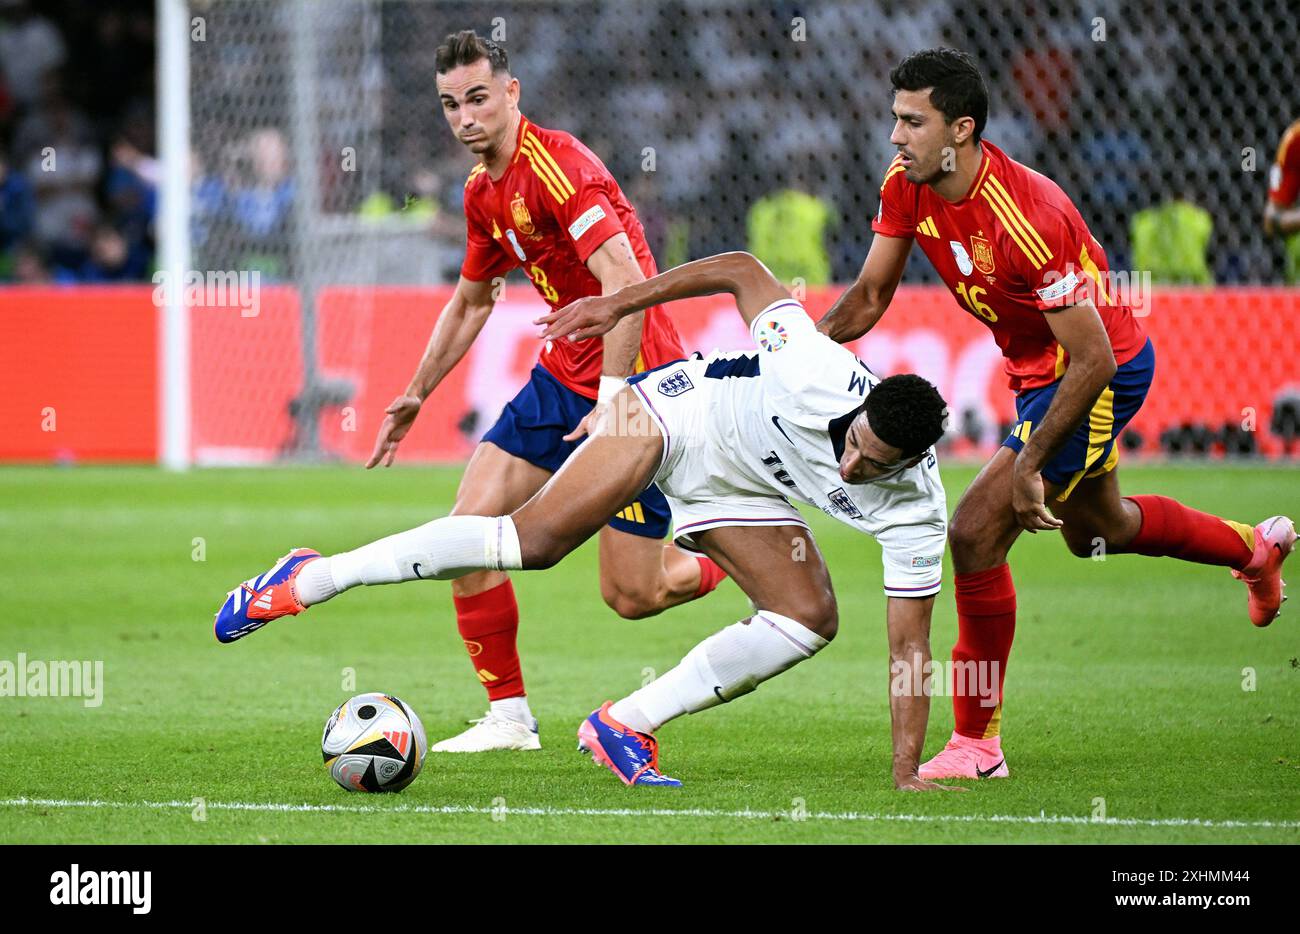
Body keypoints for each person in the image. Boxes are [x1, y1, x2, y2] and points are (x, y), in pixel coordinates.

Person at [213, 251, 955, 790]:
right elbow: (741, 268)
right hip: (671, 406)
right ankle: (308, 578)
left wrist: (905, 772)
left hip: (746, 484)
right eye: (855, 444)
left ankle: (624, 723)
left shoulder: (918, 511)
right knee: (529, 545)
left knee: (808, 617)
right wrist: (620, 306)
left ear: (915, 462)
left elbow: (909, 645)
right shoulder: (813, 371)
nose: (855, 468)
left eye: (876, 466)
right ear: (857, 411)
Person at [217, 31, 728, 756]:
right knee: (468, 530)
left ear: (512, 92)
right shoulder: (482, 191)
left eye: (479, 98)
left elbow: (626, 286)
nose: (465, 117)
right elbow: (472, 300)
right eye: (451, 104)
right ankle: (510, 718)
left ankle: (727, 556)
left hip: (638, 385)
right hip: (562, 378)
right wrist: (416, 393)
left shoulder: (560, 169)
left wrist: (615, 395)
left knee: (634, 597)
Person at [818, 48, 1295, 780]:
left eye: (912, 122)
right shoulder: (906, 184)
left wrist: (1029, 463)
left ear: (962, 129)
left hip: (1095, 371)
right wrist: (799, 358)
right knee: (1101, 530)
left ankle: (978, 745)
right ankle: (1252, 549)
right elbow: (872, 296)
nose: (894, 136)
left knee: (974, 534)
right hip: (1036, 371)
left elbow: (1095, 356)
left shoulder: (1030, 216)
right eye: (895, 119)